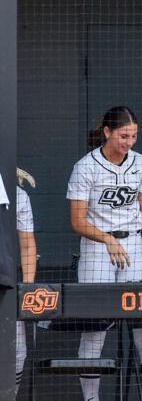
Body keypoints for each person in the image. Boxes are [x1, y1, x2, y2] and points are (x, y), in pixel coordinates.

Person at [67, 106, 142, 401]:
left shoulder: (141, 163)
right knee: (94, 327)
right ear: (107, 132)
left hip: (134, 245)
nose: (129, 142)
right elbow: (77, 220)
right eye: (124, 136)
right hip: (97, 249)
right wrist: (107, 239)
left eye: (134, 136)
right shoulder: (85, 166)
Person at [16, 168, 37, 395]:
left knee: (18, 352)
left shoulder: (18, 195)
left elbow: (28, 244)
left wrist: (27, 288)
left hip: (6, 282)